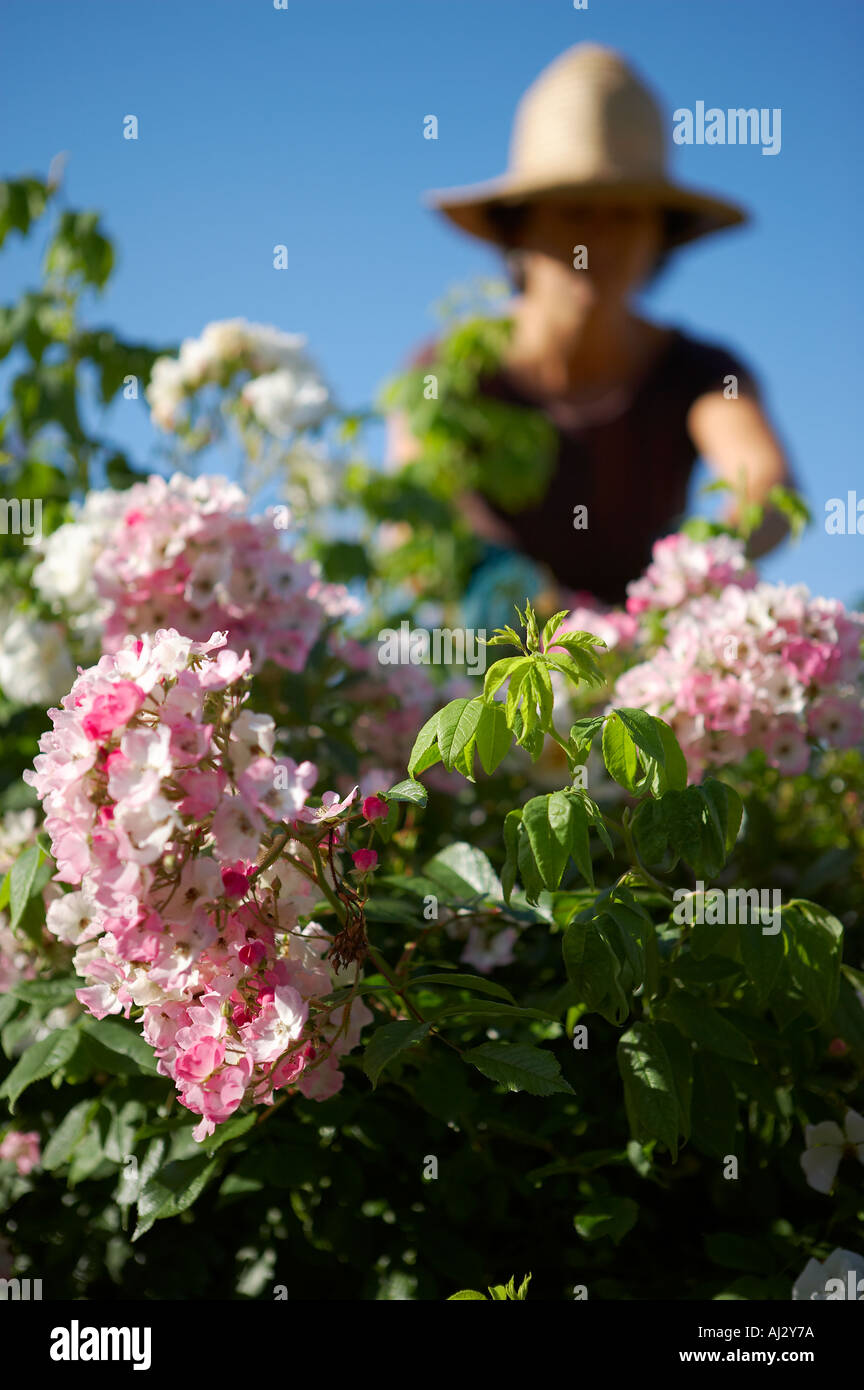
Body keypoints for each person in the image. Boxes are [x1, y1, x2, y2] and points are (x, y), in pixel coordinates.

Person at [391, 44, 795, 608]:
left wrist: (686, 583)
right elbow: (411, 526)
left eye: (625, 215)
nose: (596, 242)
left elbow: (768, 489)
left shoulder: (701, 373)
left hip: (641, 661)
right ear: (520, 229)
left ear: (659, 238)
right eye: (575, 210)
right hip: (488, 664)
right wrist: (531, 607)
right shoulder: (449, 373)